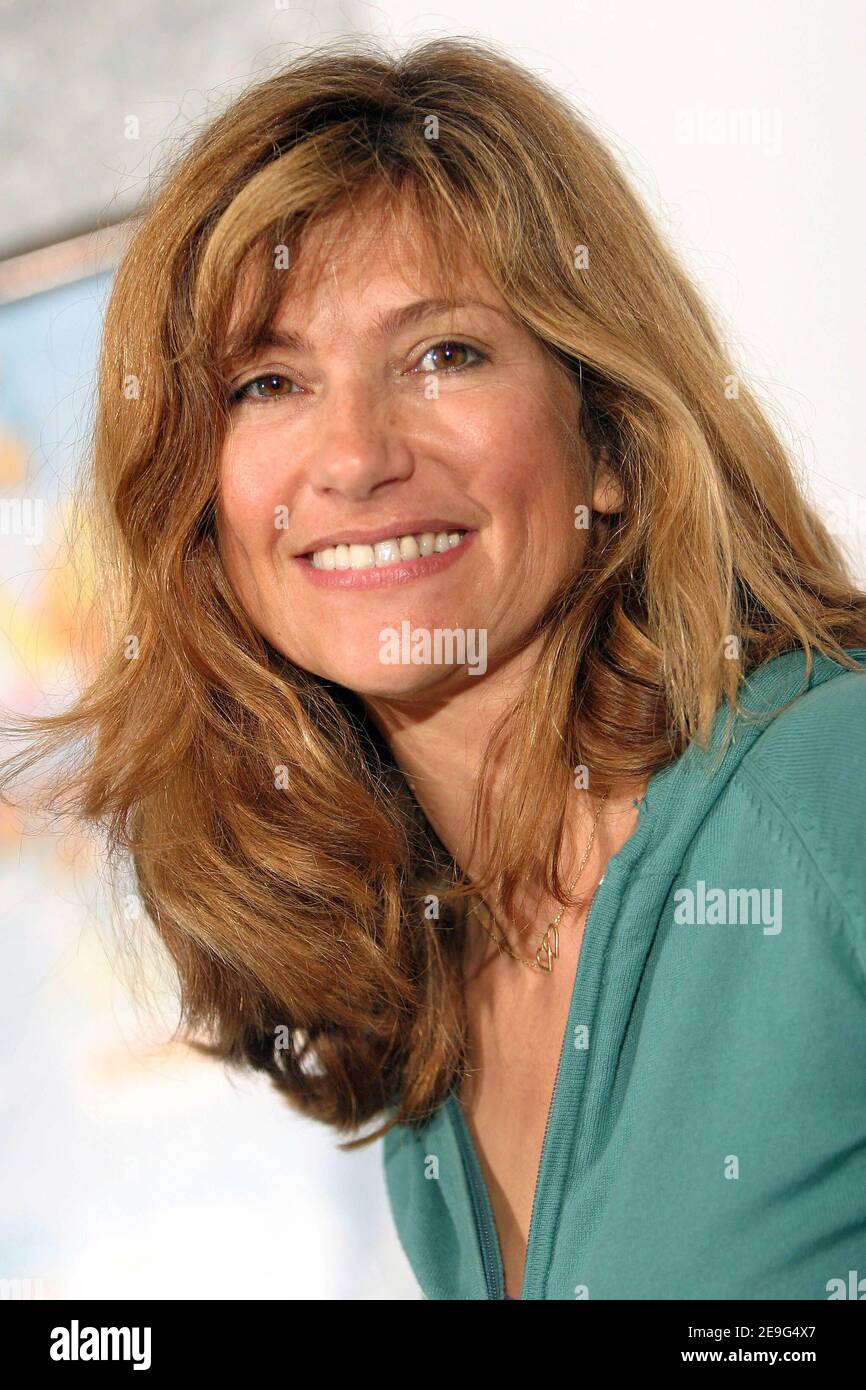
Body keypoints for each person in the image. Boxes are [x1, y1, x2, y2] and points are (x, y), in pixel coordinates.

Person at [3, 37, 866, 1301]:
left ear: (610, 442)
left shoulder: (824, 794)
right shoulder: (408, 978)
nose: (352, 458)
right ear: (204, 509)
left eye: (442, 354)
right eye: (269, 381)